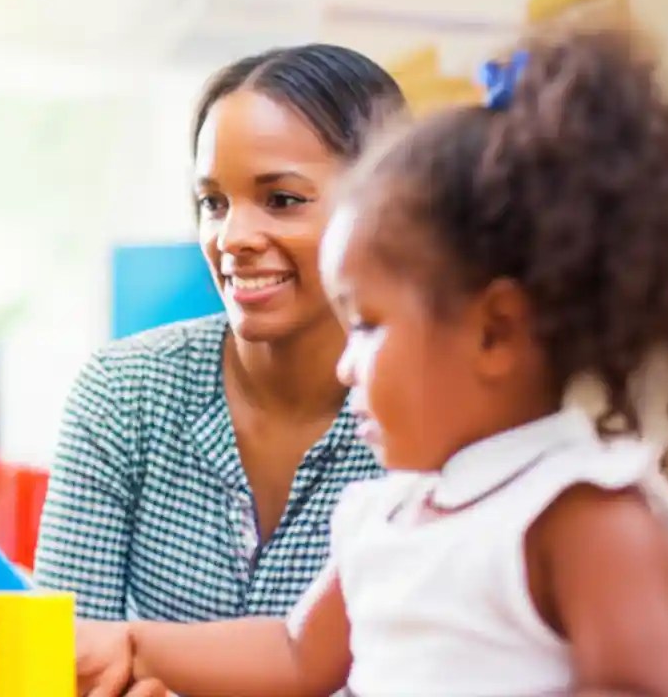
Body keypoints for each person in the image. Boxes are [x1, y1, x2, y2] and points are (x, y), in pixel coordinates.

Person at [77, 25, 668, 696]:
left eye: (367, 326)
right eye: (213, 203)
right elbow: (294, 654)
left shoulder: (583, 514)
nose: (348, 364)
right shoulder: (392, 512)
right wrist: (133, 642)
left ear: (495, 331)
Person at [35, 45, 405, 624]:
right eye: (213, 202)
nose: (232, 236)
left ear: (385, 205)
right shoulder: (125, 393)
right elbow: (65, 662)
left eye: (281, 200)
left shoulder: (427, 414)